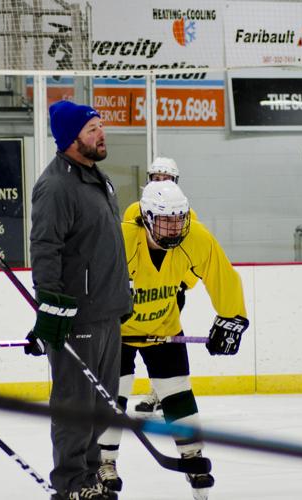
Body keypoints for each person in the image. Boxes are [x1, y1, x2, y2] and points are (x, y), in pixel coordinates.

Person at [97, 180, 249, 500]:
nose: (174, 229)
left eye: (179, 220)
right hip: (118, 332)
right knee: (115, 395)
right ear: (148, 219)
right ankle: (105, 461)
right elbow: (88, 277)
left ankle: (192, 456)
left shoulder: (195, 237)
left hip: (164, 327)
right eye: (166, 221)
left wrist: (233, 317)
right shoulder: (121, 238)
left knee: (177, 392)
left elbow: (222, 275)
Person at [24, 99, 132, 500]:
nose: (101, 133)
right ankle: (70, 484)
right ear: (70, 139)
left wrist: (122, 293)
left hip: (106, 312)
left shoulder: (96, 178)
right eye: (92, 129)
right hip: (78, 316)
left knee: (100, 405)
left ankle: (89, 476)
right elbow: (45, 248)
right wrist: (49, 307)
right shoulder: (56, 186)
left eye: (101, 126)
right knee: (75, 404)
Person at [122, 157, 199, 415]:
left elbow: (195, 258)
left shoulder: (187, 213)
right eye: (156, 177)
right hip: (136, 294)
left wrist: (182, 285)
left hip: (169, 292)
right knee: (128, 344)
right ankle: (118, 390)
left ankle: (160, 392)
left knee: (161, 343)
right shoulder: (135, 210)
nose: (161, 182)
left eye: (166, 178)